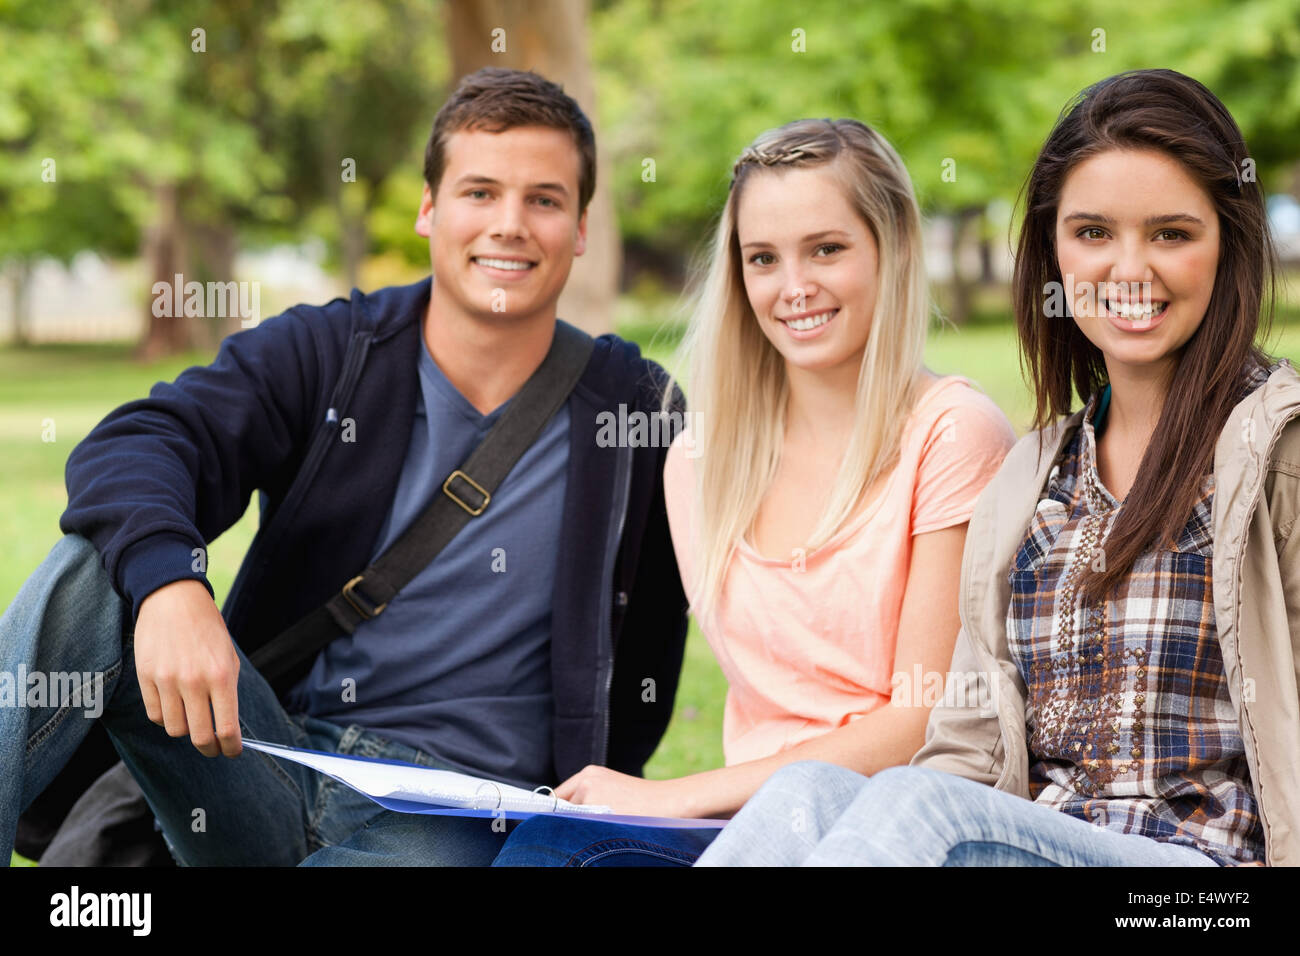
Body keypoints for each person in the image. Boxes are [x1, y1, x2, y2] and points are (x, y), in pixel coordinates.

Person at [0, 67, 690, 867]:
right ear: (430, 211)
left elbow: (686, 623)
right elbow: (142, 439)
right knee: (96, 574)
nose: (510, 224)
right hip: (264, 756)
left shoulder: (634, 409)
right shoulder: (335, 352)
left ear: (579, 228)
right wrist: (170, 585)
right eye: (479, 193)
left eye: (544, 199)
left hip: (458, 810)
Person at [695, 69, 1300, 867]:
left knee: (923, 806)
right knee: (804, 795)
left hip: (1198, 884)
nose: (1128, 267)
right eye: (1092, 233)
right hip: (1045, 844)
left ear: (1228, 246)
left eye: (1171, 233)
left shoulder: (1279, 453)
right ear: (1052, 250)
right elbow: (970, 749)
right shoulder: (1030, 481)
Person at [491, 118, 1016, 866]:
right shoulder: (702, 461)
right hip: (747, 826)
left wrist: (680, 791)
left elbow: (922, 719)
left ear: (894, 248)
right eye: (762, 258)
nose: (793, 287)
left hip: (889, 830)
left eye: (826, 249)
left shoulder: (954, 434)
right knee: (553, 851)